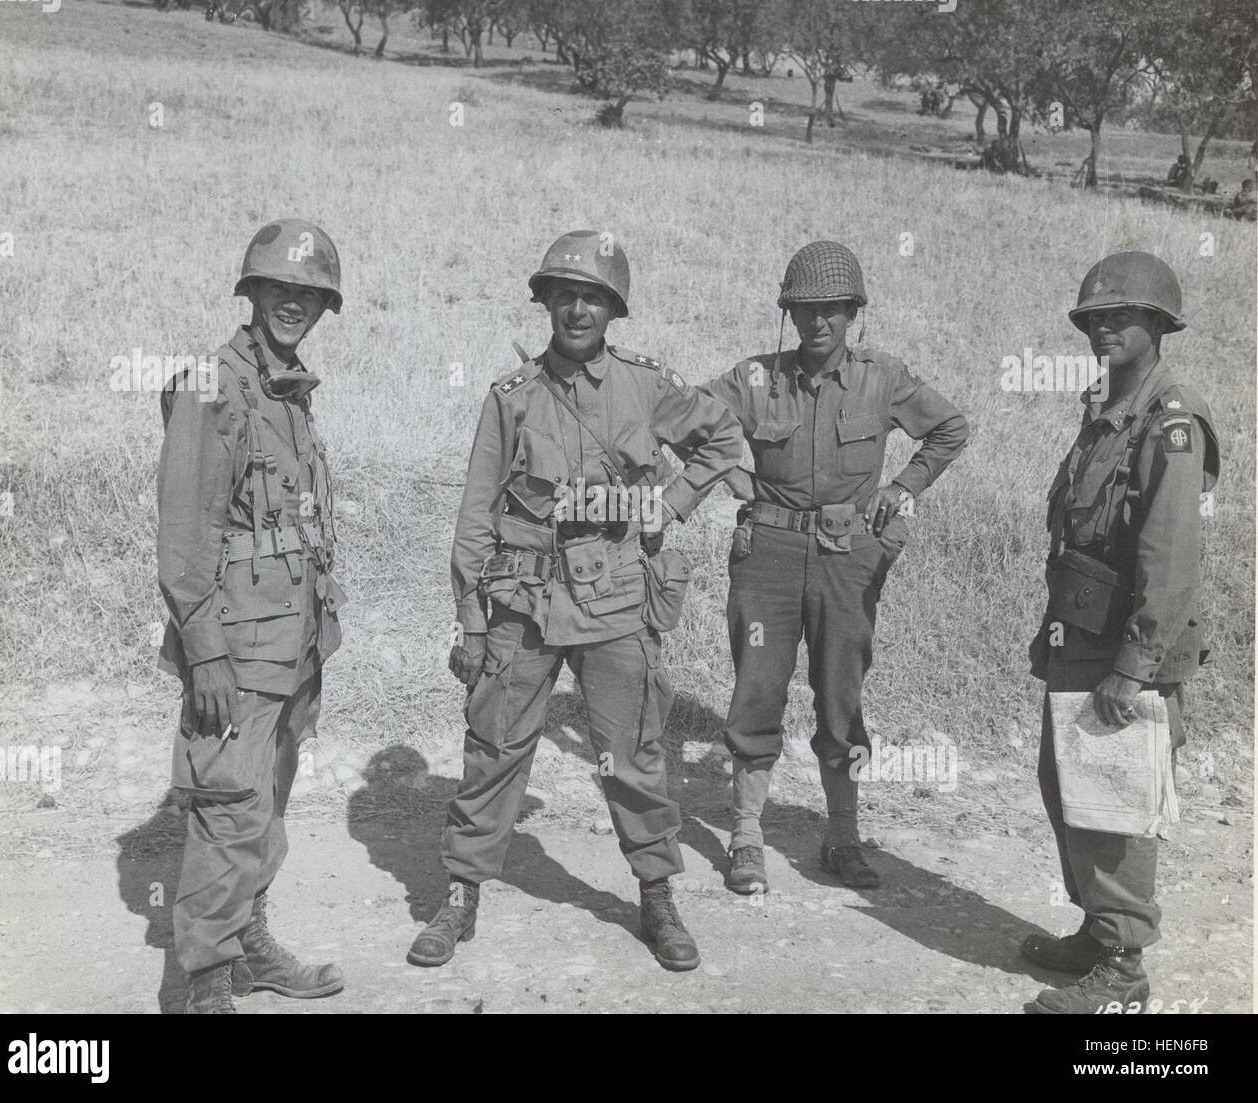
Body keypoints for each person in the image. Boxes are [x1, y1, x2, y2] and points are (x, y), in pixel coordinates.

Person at [412, 230, 742, 972]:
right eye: (565, 294)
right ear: (546, 303)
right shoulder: (511, 398)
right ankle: (461, 893)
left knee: (631, 755)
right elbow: (475, 513)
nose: (577, 308)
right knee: (494, 746)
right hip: (523, 600)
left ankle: (656, 893)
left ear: (612, 309)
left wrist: (671, 504)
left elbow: (722, 439)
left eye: (592, 296)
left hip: (618, 597)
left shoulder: (644, 386)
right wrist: (470, 619)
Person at [700, 241, 969, 895]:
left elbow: (951, 429)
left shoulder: (883, 377)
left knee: (841, 696)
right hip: (766, 556)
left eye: (833, 310)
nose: (818, 322)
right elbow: (684, 414)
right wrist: (728, 470)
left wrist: (901, 487)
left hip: (849, 559)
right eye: (805, 309)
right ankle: (745, 838)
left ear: (853, 313)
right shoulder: (756, 377)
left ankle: (842, 837)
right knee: (757, 691)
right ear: (789, 313)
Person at [157, 219, 348, 1013]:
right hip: (235, 643)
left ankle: (247, 945)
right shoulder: (216, 385)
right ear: (253, 292)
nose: (292, 304)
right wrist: (204, 651)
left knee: (265, 795)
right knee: (230, 802)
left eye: (307, 294)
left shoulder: (287, 388)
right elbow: (186, 532)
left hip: (291, 637)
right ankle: (203, 981)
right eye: (279, 289)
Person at [1023, 251, 1220, 1014]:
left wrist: (1132, 669)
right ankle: (1099, 931)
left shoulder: (1171, 422)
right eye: (1093, 318)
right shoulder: (1106, 404)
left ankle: (1125, 969)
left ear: (1160, 326)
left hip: (1124, 647)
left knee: (1115, 798)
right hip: (1081, 629)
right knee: (1068, 785)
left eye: (1120, 317)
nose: (1102, 328)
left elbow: (1169, 561)